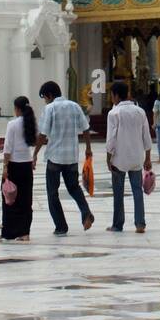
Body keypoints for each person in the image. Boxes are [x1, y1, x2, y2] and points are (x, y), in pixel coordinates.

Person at [34, 81, 95, 236]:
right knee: (74, 187)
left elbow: (42, 134)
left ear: (49, 95)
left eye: (44, 97)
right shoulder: (74, 106)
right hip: (71, 156)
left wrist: (35, 154)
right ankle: (86, 212)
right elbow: (86, 128)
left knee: (52, 192)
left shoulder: (50, 108)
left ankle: (61, 226)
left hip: (55, 156)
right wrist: (88, 148)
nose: (45, 101)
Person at [106, 80, 152, 233]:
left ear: (116, 95)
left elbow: (111, 138)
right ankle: (140, 223)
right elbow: (146, 135)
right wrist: (148, 157)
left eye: (112, 95)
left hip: (119, 158)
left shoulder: (114, 113)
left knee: (118, 193)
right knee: (137, 190)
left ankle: (117, 224)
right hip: (137, 157)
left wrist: (108, 156)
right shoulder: (140, 112)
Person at [1, 95, 37, 242]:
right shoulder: (32, 123)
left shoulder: (13, 124)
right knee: (26, 199)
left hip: (14, 166)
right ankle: (24, 232)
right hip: (26, 165)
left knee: (9, 198)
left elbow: (7, 148)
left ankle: (9, 232)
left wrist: (4, 166)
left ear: (17, 108)